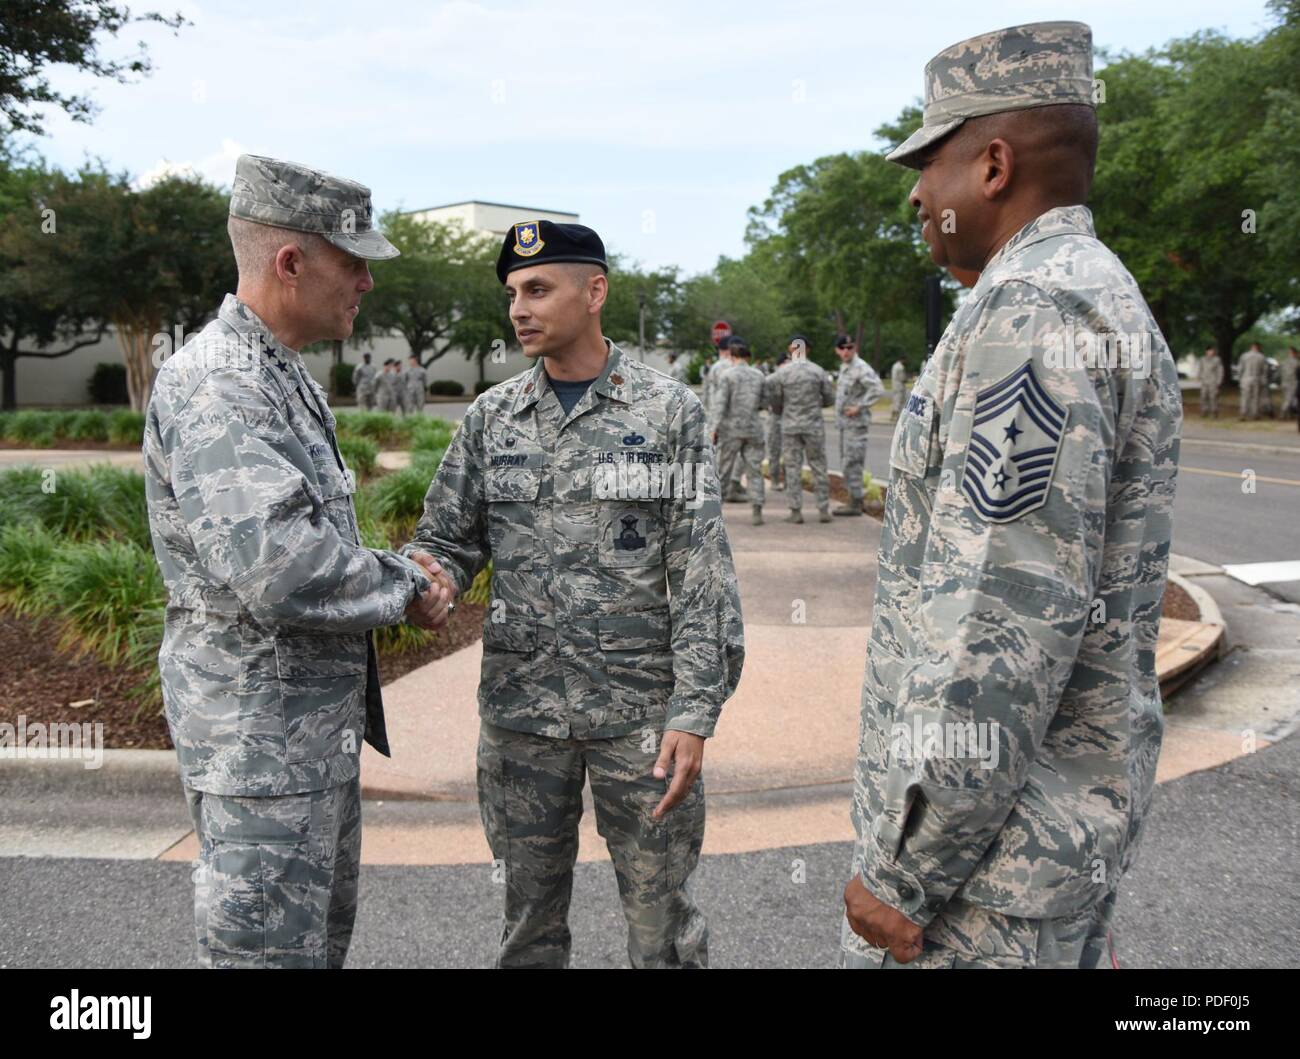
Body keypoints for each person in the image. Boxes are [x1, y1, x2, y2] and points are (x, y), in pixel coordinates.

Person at [841, 21, 1183, 970]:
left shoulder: (1031, 310)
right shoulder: (1094, 291)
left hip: (976, 886)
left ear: (993, 164)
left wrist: (907, 866)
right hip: (1036, 854)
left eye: (930, 163)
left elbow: (1000, 612)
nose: (916, 192)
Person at [402, 219, 744, 968]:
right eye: (512, 294)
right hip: (522, 716)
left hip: (638, 716)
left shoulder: (665, 412)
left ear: (595, 292)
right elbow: (448, 537)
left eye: (537, 288)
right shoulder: (493, 418)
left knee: (664, 931)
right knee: (527, 931)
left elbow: (699, 566)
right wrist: (435, 578)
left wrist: (694, 709)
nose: (519, 308)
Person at [142, 154, 454, 969]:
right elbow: (280, 566)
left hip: (301, 743)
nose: (366, 282)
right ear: (291, 261)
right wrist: (408, 583)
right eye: (353, 262)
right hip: (262, 752)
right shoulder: (219, 384)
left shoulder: (275, 371)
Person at [767, 334, 833, 523]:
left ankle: (796, 511)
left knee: (792, 467)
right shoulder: (818, 371)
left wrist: (784, 410)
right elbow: (829, 398)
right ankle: (823, 509)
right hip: (814, 426)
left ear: (791, 350)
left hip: (790, 426)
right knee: (819, 466)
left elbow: (776, 400)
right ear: (808, 349)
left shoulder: (783, 373)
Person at [711, 337, 768, 525]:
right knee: (754, 470)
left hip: (730, 430)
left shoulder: (727, 375)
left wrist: (713, 428)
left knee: (723, 470)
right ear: (748, 357)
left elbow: (720, 405)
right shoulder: (759, 375)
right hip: (753, 428)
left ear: (732, 356)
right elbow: (764, 403)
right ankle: (757, 510)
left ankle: (716, 512)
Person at [833, 335, 884, 516]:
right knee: (847, 462)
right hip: (845, 425)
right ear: (837, 350)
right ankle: (853, 500)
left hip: (856, 425)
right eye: (843, 348)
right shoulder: (845, 367)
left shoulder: (860, 367)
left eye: (850, 347)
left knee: (852, 462)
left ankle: (855, 503)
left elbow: (877, 389)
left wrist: (859, 406)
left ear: (854, 348)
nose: (846, 351)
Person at [765, 350, 788, 488]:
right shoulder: (771, 379)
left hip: (789, 417)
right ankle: (774, 480)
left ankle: (788, 481)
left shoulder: (793, 378)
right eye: (786, 363)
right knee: (774, 450)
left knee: (789, 452)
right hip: (774, 416)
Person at [1237, 342, 1268, 420]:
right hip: (1256, 379)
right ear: (1258, 347)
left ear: (1251, 347)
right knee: (1255, 397)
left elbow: (1240, 368)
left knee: (1245, 397)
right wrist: (1263, 380)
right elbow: (1265, 370)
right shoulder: (1262, 357)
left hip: (1246, 378)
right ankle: (1255, 414)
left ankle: (1243, 413)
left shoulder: (1244, 356)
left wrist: (1240, 379)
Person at [1198, 345, 1223, 418]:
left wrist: (1219, 381)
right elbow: (1200, 369)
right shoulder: (1202, 359)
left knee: (1213, 397)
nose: (1211, 352)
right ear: (1206, 351)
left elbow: (1220, 371)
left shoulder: (1217, 360)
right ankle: (1204, 411)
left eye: (1212, 351)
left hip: (1213, 381)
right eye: (1209, 350)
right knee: (1203, 396)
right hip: (1204, 381)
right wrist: (1200, 376)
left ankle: (1214, 411)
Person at [1281, 346, 1299, 419]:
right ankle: (1283, 414)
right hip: (1293, 383)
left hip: (1285, 383)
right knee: (1290, 399)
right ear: (1295, 353)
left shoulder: (1284, 362)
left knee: (1287, 398)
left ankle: (1288, 415)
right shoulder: (1297, 362)